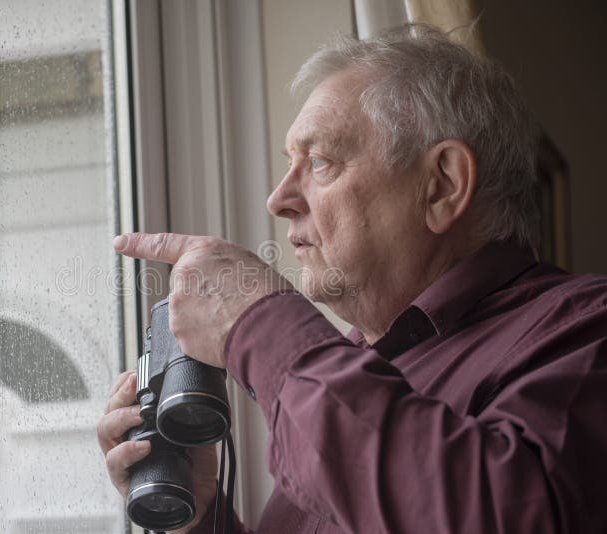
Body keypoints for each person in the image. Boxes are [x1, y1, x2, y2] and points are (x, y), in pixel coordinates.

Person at [97, 25, 607, 533]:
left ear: (442, 186)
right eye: (288, 164)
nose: (278, 200)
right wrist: (205, 520)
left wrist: (258, 323)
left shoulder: (585, 332)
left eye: (318, 162)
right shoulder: (351, 370)